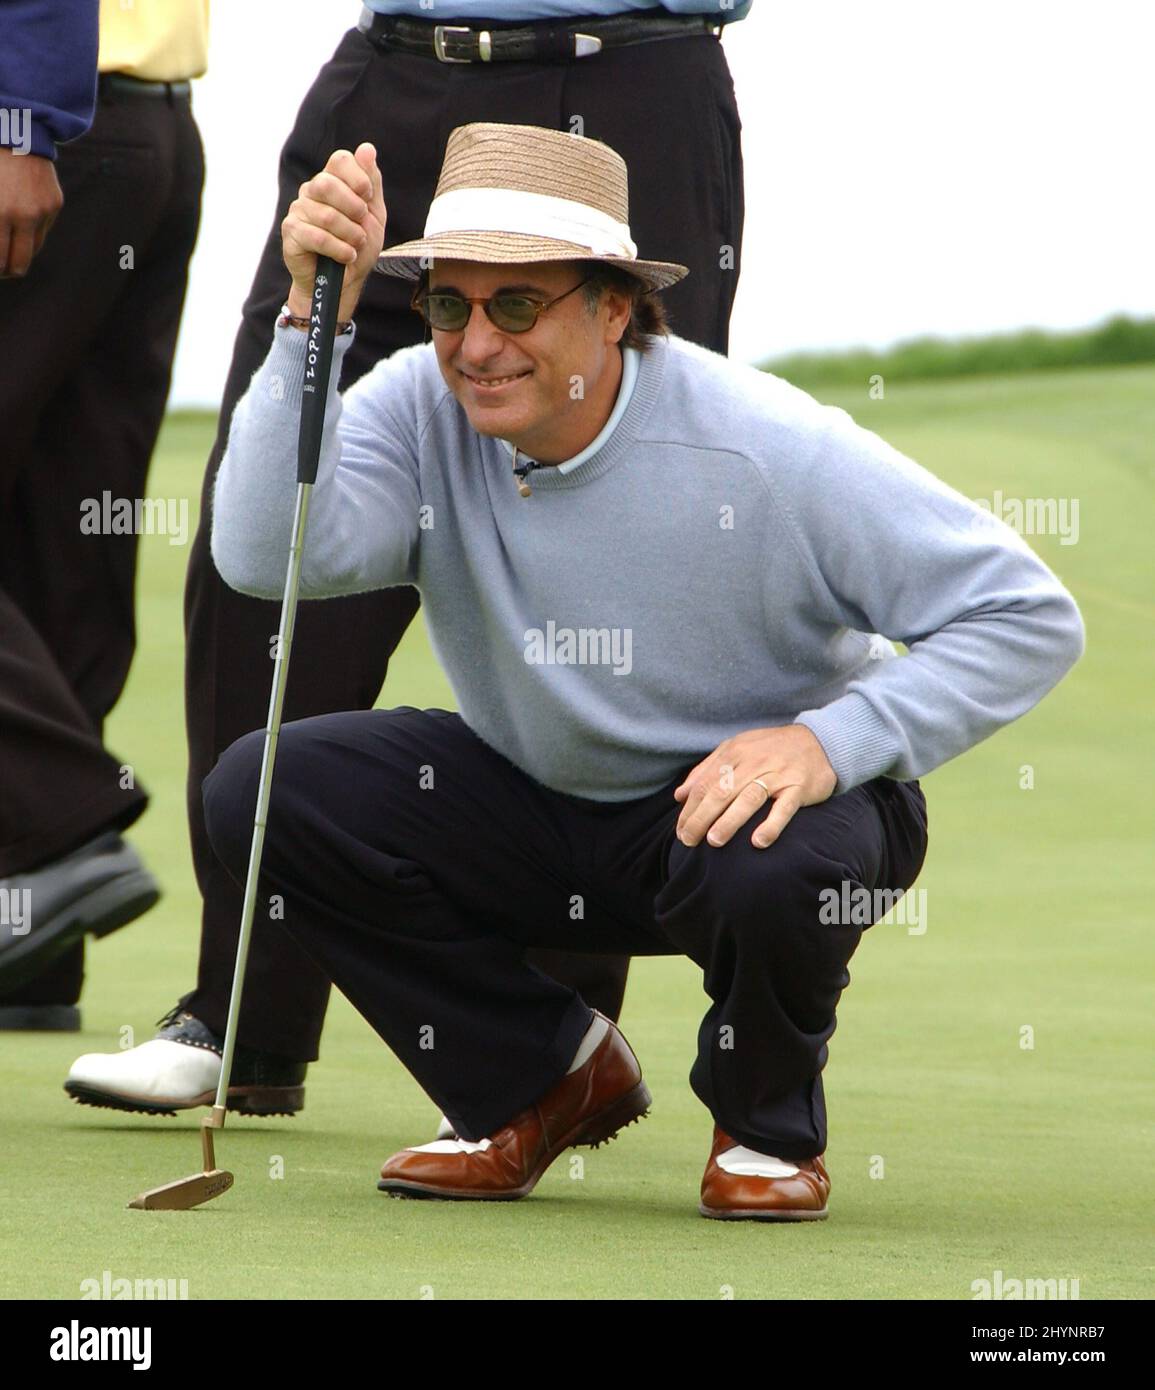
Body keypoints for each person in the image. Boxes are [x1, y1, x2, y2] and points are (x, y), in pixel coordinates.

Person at [194, 121, 1083, 1220]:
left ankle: (766, 1127)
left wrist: (827, 742)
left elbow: (1025, 611)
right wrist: (302, 319)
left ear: (613, 306)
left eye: (516, 305)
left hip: (758, 810)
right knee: (261, 786)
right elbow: (261, 552)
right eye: (448, 304)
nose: (476, 344)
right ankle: (537, 1077)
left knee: (767, 856)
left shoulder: (765, 444)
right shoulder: (418, 410)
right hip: (539, 799)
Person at [65, 1, 748, 1117]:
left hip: (619, 87)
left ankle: (544, 1045)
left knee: (590, 536)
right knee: (272, 526)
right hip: (397, 91)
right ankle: (241, 1017)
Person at [0, 0, 207, 1028]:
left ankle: (59, 832)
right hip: (137, 130)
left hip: (34, 123)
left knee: (62, 538)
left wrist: (16, 117)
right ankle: (31, 949)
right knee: (61, 539)